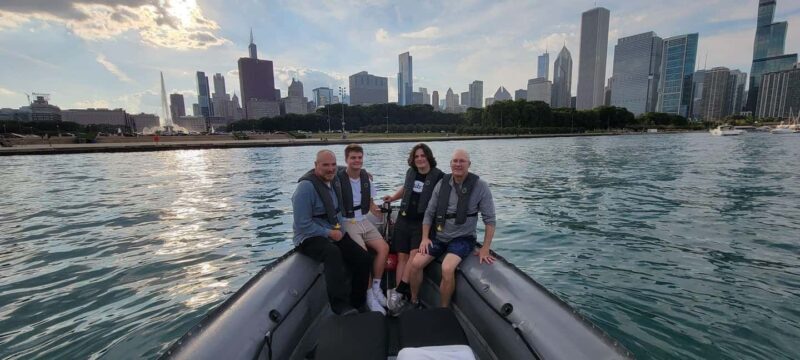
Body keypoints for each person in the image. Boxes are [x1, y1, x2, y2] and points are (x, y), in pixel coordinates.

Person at [407, 149, 496, 308]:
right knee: (415, 263)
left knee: (447, 268)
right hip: (440, 236)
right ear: (450, 164)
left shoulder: (480, 186)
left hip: (463, 238)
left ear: (469, 164)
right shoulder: (442, 184)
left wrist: (485, 248)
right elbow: (429, 213)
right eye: (455, 161)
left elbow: (490, 220)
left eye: (462, 161)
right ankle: (413, 300)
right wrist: (425, 238)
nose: (458, 164)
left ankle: (443, 308)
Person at [292, 149, 372, 315]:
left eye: (333, 164)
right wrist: (328, 233)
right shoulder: (305, 188)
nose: (330, 168)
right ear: (315, 166)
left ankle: (358, 302)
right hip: (310, 236)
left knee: (364, 258)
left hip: (334, 231)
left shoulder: (333, 176)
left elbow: (344, 168)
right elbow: (302, 224)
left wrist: (363, 172)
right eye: (325, 165)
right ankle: (340, 305)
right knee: (332, 253)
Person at [382, 143, 444, 314]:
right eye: (416, 156)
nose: (420, 159)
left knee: (414, 255)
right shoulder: (411, 173)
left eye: (423, 156)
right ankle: (398, 296)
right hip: (403, 220)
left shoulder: (439, 176)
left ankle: (400, 290)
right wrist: (393, 198)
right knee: (402, 257)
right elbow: (406, 188)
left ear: (429, 157)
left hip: (421, 223)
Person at [338, 144, 389, 314]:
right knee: (363, 255)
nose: (357, 161)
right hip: (347, 222)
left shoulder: (366, 178)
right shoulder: (338, 179)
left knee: (384, 248)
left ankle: (376, 288)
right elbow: (321, 171)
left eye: (359, 157)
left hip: (363, 220)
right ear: (346, 160)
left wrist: (375, 209)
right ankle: (368, 296)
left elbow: (371, 201)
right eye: (353, 158)